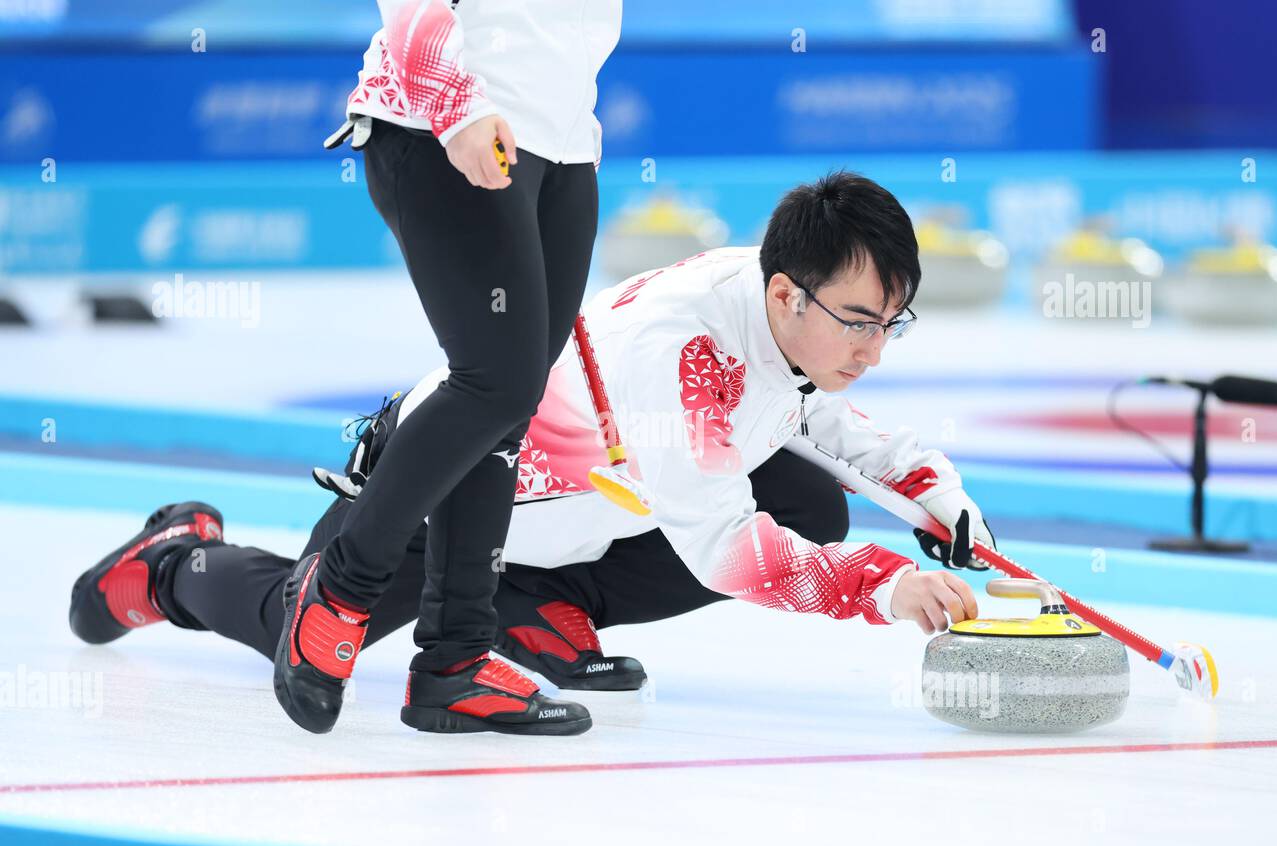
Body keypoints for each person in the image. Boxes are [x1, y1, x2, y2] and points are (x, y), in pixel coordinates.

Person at [68, 172, 995, 738]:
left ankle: (538, 604)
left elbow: (816, 417)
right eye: (862, 322)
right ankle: (172, 562)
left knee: (807, 498)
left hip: (568, 515)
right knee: (294, 627)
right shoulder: (680, 349)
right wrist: (881, 587)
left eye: (892, 324)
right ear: (790, 292)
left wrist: (937, 502)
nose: (874, 350)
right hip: (452, 491)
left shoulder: (776, 311)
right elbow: (725, 548)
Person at [273, 1, 620, 734]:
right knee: (495, 379)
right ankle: (340, 585)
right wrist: (456, 105)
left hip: (562, 140)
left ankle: (454, 662)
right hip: (446, 117)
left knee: (510, 404)